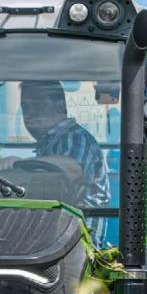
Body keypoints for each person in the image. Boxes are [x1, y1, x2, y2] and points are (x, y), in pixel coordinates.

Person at [13, 80, 110, 213]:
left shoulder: (74, 136)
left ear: (60, 106)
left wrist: (18, 164)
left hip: (79, 229)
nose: (29, 113)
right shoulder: (49, 144)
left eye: (37, 105)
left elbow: (71, 169)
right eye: (25, 107)